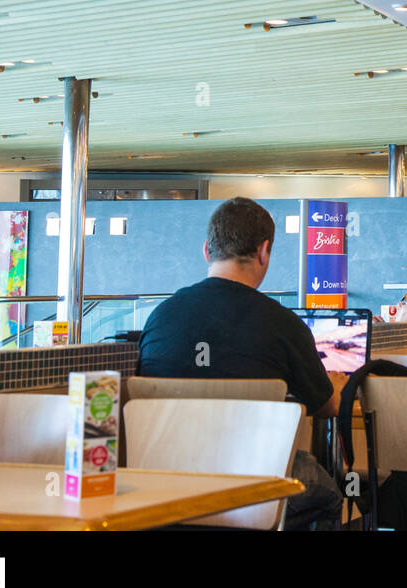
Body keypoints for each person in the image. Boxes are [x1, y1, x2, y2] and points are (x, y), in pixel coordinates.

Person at [137, 197, 346, 527]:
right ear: (264, 252)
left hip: (165, 480)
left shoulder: (160, 317)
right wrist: (336, 385)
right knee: (332, 494)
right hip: (253, 483)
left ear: (207, 250)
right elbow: (327, 407)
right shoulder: (283, 325)